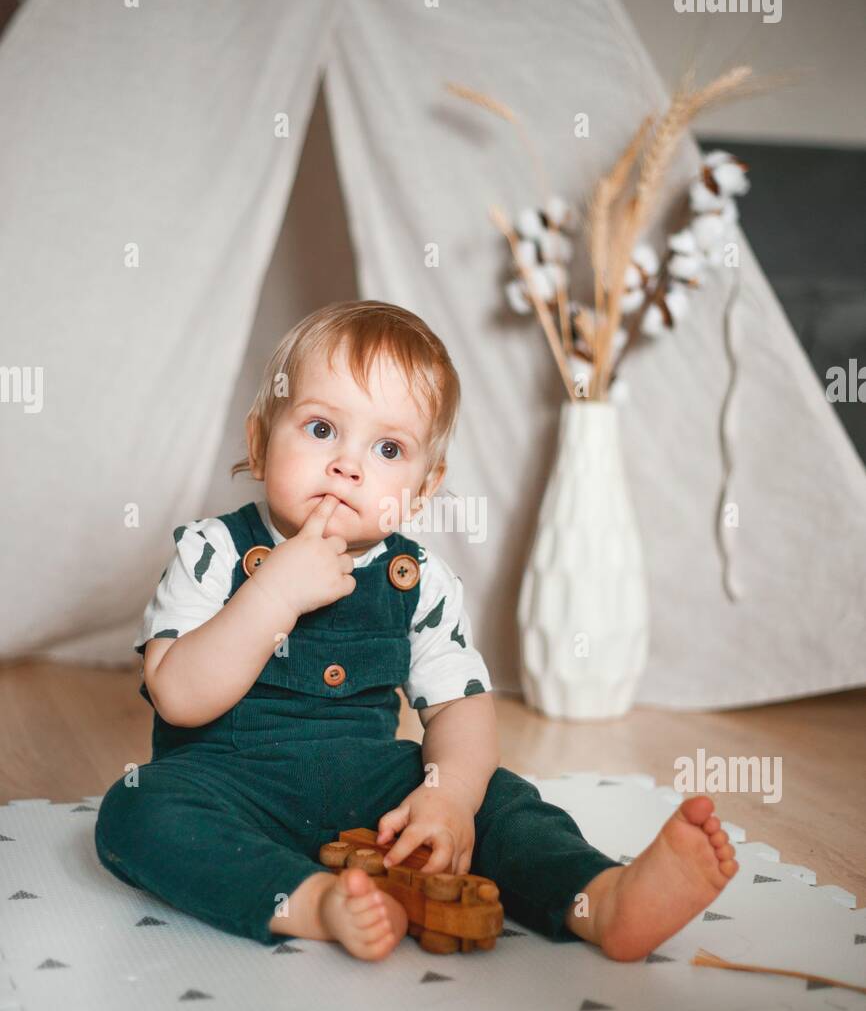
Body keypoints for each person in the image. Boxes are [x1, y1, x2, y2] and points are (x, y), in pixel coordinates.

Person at [95, 300, 738, 960]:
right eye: (321, 428)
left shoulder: (417, 578)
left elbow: (461, 707)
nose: (348, 465)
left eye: (388, 448)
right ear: (260, 443)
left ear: (423, 487)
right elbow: (179, 695)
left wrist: (449, 797)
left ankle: (598, 898)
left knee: (502, 800)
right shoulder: (214, 551)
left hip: (371, 791)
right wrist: (272, 594)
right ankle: (309, 901)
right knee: (136, 812)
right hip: (226, 787)